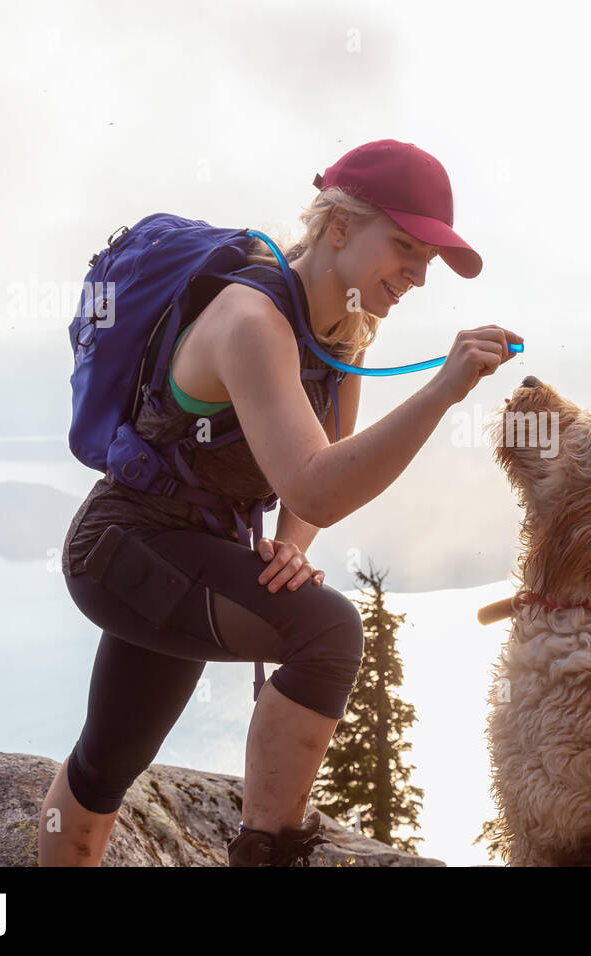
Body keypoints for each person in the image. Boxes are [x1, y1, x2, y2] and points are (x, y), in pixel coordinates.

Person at [41, 139, 523, 866]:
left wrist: (292, 545)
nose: (419, 276)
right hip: (125, 548)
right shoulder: (249, 321)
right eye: (405, 248)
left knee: (107, 763)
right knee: (328, 634)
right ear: (338, 228)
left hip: (194, 550)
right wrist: (444, 388)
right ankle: (268, 852)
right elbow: (315, 482)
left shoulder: (348, 332)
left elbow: (325, 475)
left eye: (429, 261)